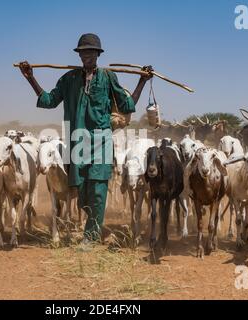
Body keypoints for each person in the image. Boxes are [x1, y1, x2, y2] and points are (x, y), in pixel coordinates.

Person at [19, 33, 152, 245]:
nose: (86, 55)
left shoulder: (108, 77)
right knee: (81, 192)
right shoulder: (69, 79)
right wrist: (30, 78)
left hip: (101, 142)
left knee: (98, 191)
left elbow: (127, 105)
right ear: (79, 55)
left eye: (90, 51)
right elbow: (49, 101)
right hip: (77, 144)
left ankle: (90, 237)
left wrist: (142, 81)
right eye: (82, 52)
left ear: (98, 54)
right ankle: (92, 226)